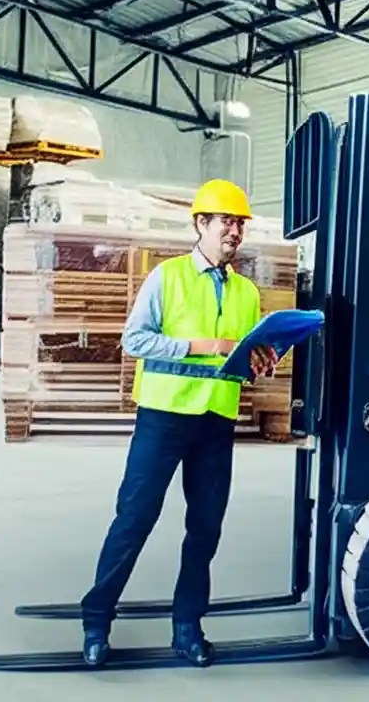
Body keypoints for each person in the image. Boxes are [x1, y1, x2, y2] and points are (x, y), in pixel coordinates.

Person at [78, 179, 279, 667]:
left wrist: (258, 361)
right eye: (225, 222)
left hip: (216, 421)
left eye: (239, 224)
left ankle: (188, 625)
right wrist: (203, 346)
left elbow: (238, 358)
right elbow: (135, 340)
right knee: (134, 520)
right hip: (164, 417)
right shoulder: (166, 278)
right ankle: (96, 620)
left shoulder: (248, 293)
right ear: (200, 224)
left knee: (205, 528)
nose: (234, 231)